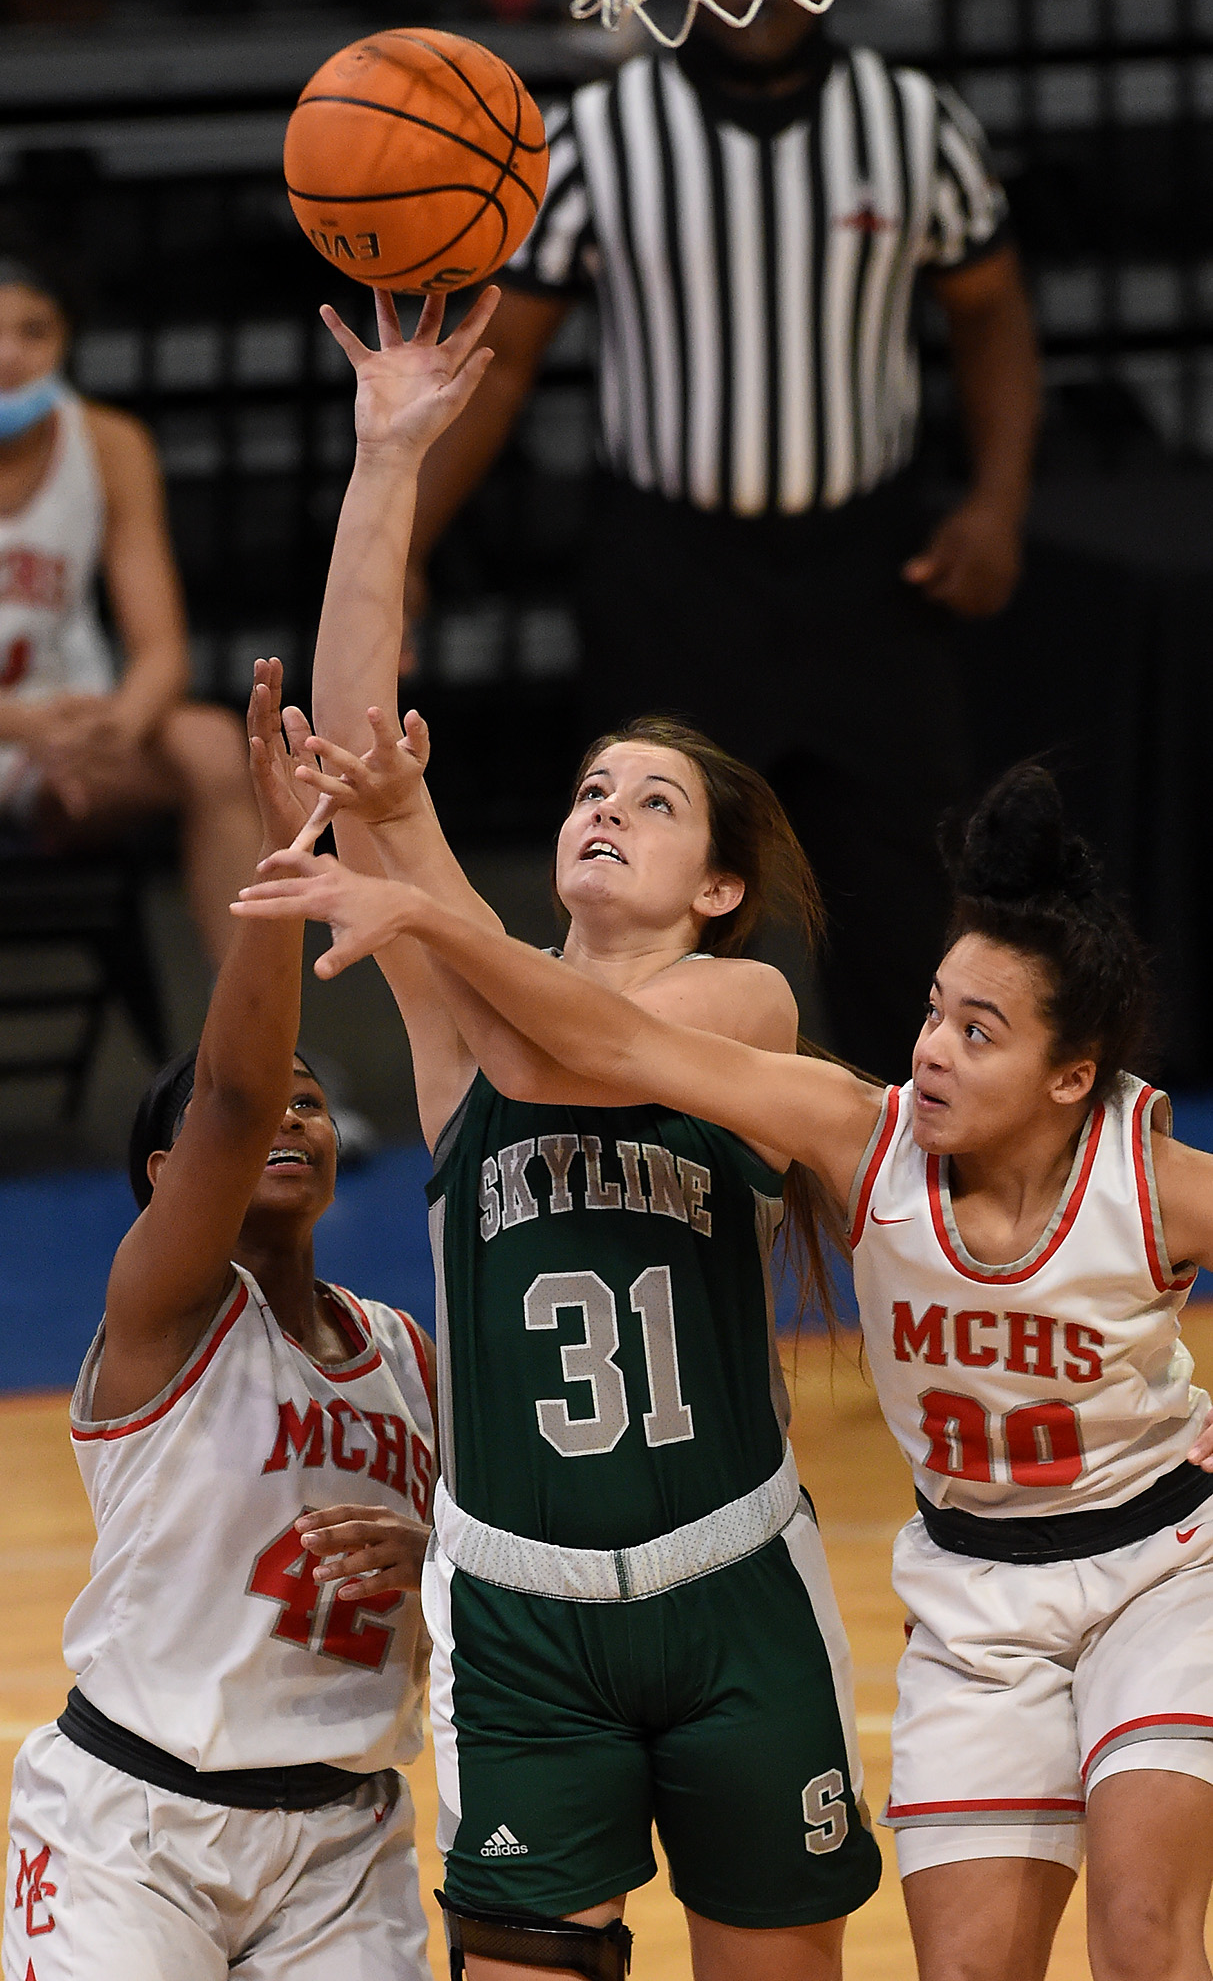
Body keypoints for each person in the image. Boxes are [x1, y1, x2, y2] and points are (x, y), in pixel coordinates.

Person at [243, 763, 1213, 1981]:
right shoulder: (860, 1135)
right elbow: (616, 1040)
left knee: (1140, 1926)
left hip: (1156, 1568)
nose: (932, 1053)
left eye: (978, 1031)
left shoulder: (1148, 1174)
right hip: (976, 1590)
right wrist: (436, 903)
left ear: (1071, 1077)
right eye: (930, 1012)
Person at [273, 285, 883, 1981]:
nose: (607, 807)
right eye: (592, 787)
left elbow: (579, 1055)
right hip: (520, 1608)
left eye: (654, 800)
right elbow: (342, 733)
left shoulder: (744, 1012)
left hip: (728, 1585)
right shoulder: (464, 996)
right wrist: (389, 453)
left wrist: (408, 849)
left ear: (722, 887)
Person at [403, 0, 1041, 1082]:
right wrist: (401, 546)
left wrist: (995, 501)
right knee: (644, 918)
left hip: (869, 576)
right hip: (671, 574)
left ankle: (934, 1203)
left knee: (905, 913)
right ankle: (638, 1165)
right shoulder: (599, 132)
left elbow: (988, 312)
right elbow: (501, 362)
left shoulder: (912, 120)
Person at [2, 660, 436, 1981]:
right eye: (265, 1102)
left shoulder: (411, 1357)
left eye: (317, 1101)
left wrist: (434, 1569)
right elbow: (234, 1103)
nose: (290, 1114)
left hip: (343, 1842)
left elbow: (482, 1587)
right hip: (132, 1827)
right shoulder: (167, 1308)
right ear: (163, 1177)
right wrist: (273, 863)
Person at [0, 252, 258, 964]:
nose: (9, 355)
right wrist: (28, 725)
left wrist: (114, 728)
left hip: (71, 731)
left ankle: (253, 1045)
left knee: (209, 745)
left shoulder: (109, 444)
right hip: (32, 726)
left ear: (67, 341)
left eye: (34, 331)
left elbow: (162, 650)